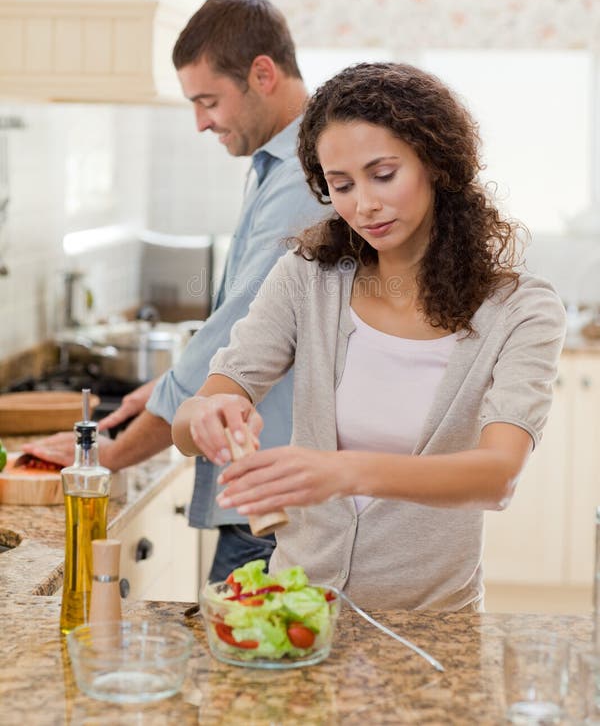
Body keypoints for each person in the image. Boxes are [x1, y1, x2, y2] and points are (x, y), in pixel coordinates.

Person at [171, 61, 567, 611]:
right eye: (341, 185)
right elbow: (196, 416)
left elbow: (497, 475)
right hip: (296, 610)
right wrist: (205, 417)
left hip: (432, 627)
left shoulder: (521, 309)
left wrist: (340, 473)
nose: (364, 204)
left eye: (383, 175)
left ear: (435, 163)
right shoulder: (307, 277)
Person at [23, 0, 323, 579]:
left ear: (262, 73)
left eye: (209, 100)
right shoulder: (274, 166)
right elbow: (249, 330)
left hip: (271, 498)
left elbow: (234, 336)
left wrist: (107, 459)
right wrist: (164, 385)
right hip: (262, 485)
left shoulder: (300, 180)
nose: (201, 122)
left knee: (242, 664)